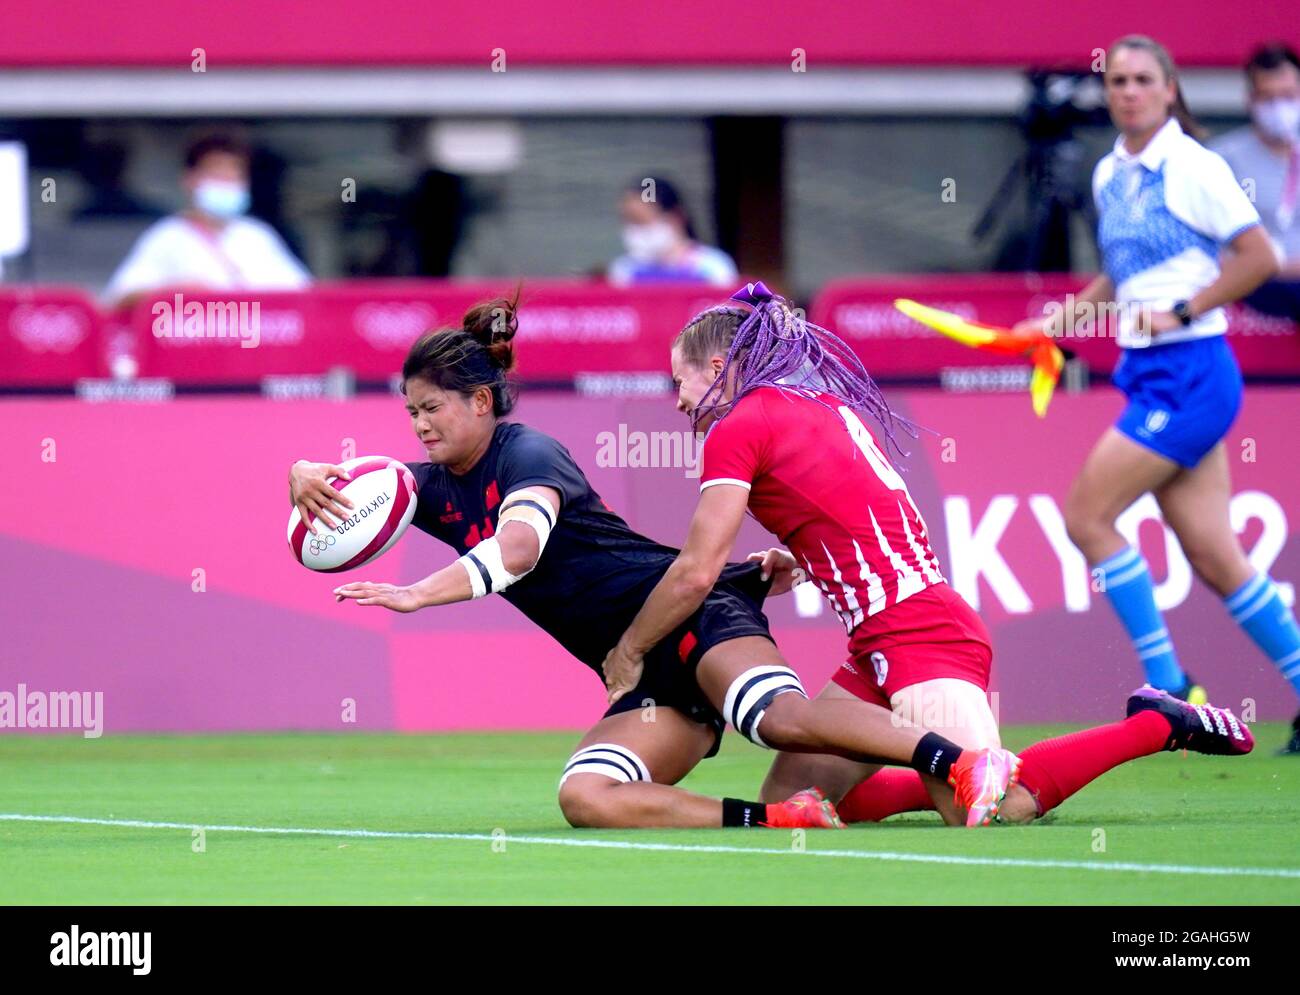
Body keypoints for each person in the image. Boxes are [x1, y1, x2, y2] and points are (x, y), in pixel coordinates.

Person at [291, 295, 1020, 830]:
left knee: (777, 719)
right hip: (642, 671)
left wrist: (419, 595)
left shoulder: (529, 454)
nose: (419, 426)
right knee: (585, 798)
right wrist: (299, 472)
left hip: (688, 615)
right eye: (410, 413)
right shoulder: (428, 486)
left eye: (431, 409)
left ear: (481, 401)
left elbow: (518, 548)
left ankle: (957, 760)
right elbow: (358, 484)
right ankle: (777, 821)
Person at [600, 281, 1254, 827]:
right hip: (884, 639)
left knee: (1001, 811)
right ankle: (945, 768)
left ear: (716, 370)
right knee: (795, 803)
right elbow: (853, 503)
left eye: (678, 379)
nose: (679, 399)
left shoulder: (738, 424)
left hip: (920, 635)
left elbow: (695, 570)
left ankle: (1155, 724)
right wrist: (807, 554)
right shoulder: (811, 402)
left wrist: (629, 649)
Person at [1013, 35, 1299, 755]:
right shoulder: (1112, 171)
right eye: (1116, 80)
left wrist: (1180, 311)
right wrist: (1060, 321)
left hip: (1191, 369)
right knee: (1216, 556)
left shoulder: (1195, 166)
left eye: (1142, 80)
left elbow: (1259, 257)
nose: (1127, 91)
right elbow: (1119, 277)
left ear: (1171, 90)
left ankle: (1174, 687)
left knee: (1087, 514)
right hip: (1154, 372)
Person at [103, 133, 310, 310]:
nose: (227, 183)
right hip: (190, 351)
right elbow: (118, 300)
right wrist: (176, 292)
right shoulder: (168, 236)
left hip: (253, 349)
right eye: (218, 175)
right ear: (190, 179)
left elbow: (304, 296)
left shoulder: (257, 235)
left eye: (234, 176)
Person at [1211, 43, 1300, 320]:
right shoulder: (1221, 159)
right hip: (1252, 287)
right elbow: (1214, 252)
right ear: (1250, 99)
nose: (1278, 108)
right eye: (1268, 98)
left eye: (1287, 96)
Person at [607, 176, 737, 286]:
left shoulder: (713, 266)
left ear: (676, 216)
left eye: (640, 220)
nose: (634, 229)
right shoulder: (623, 270)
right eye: (628, 220)